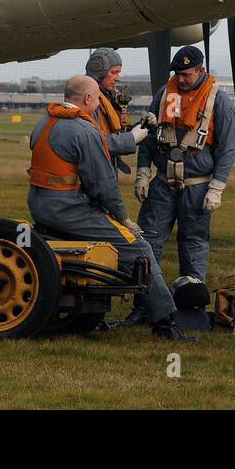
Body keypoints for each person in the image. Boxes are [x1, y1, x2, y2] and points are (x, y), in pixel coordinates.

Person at [27, 74, 191, 341]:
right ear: (89, 99)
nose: (98, 107)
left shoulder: (45, 122)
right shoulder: (83, 129)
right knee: (138, 247)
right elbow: (103, 185)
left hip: (40, 207)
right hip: (67, 211)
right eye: (97, 102)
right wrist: (124, 219)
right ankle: (165, 321)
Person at [134, 46, 235, 284]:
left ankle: (192, 305)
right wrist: (142, 171)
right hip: (161, 184)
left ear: (200, 70)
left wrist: (217, 188)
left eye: (186, 74)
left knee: (194, 245)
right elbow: (149, 135)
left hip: (197, 186)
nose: (180, 79)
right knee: (148, 241)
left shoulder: (219, 101)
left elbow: (227, 149)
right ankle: (146, 304)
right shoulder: (163, 96)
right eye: (177, 74)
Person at [84, 47, 134, 185]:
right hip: (95, 172)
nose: (118, 78)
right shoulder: (89, 103)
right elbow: (96, 142)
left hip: (106, 167)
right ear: (99, 73)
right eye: (114, 72)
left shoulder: (109, 98)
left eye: (119, 72)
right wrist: (132, 138)